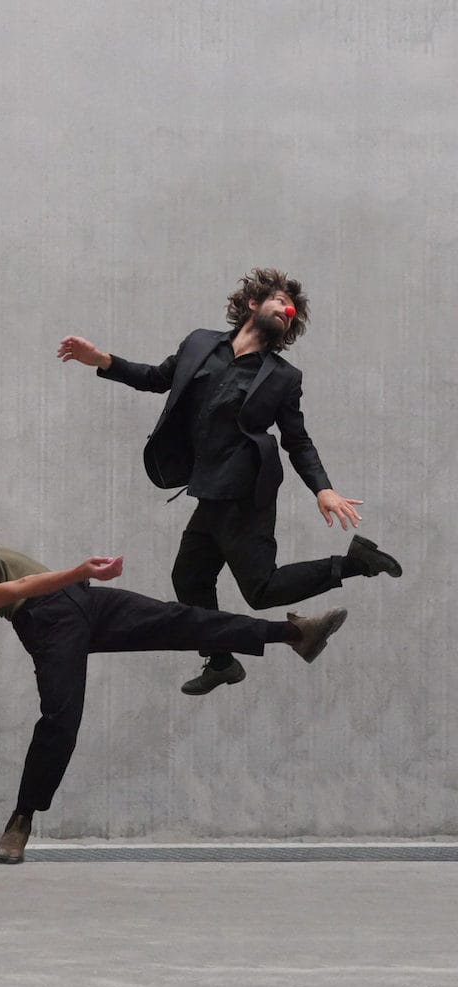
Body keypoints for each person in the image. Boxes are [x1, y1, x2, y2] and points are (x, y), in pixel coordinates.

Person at [0, 494, 348, 864]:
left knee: (182, 620)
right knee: (61, 717)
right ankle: (22, 820)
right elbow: (18, 592)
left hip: (79, 601)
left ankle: (293, 634)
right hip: (49, 617)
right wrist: (80, 571)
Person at [59, 268, 400, 695]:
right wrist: (102, 361)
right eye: (278, 300)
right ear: (253, 304)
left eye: (291, 312)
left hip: (245, 490)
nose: (286, 310)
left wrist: (323, 489)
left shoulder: (282, 376)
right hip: (208, 489)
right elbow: (156, 379)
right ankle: (220, 662)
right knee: (189, 579)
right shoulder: (200, 344)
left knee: (261, 589)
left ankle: (355, 563)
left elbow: (297, 439)